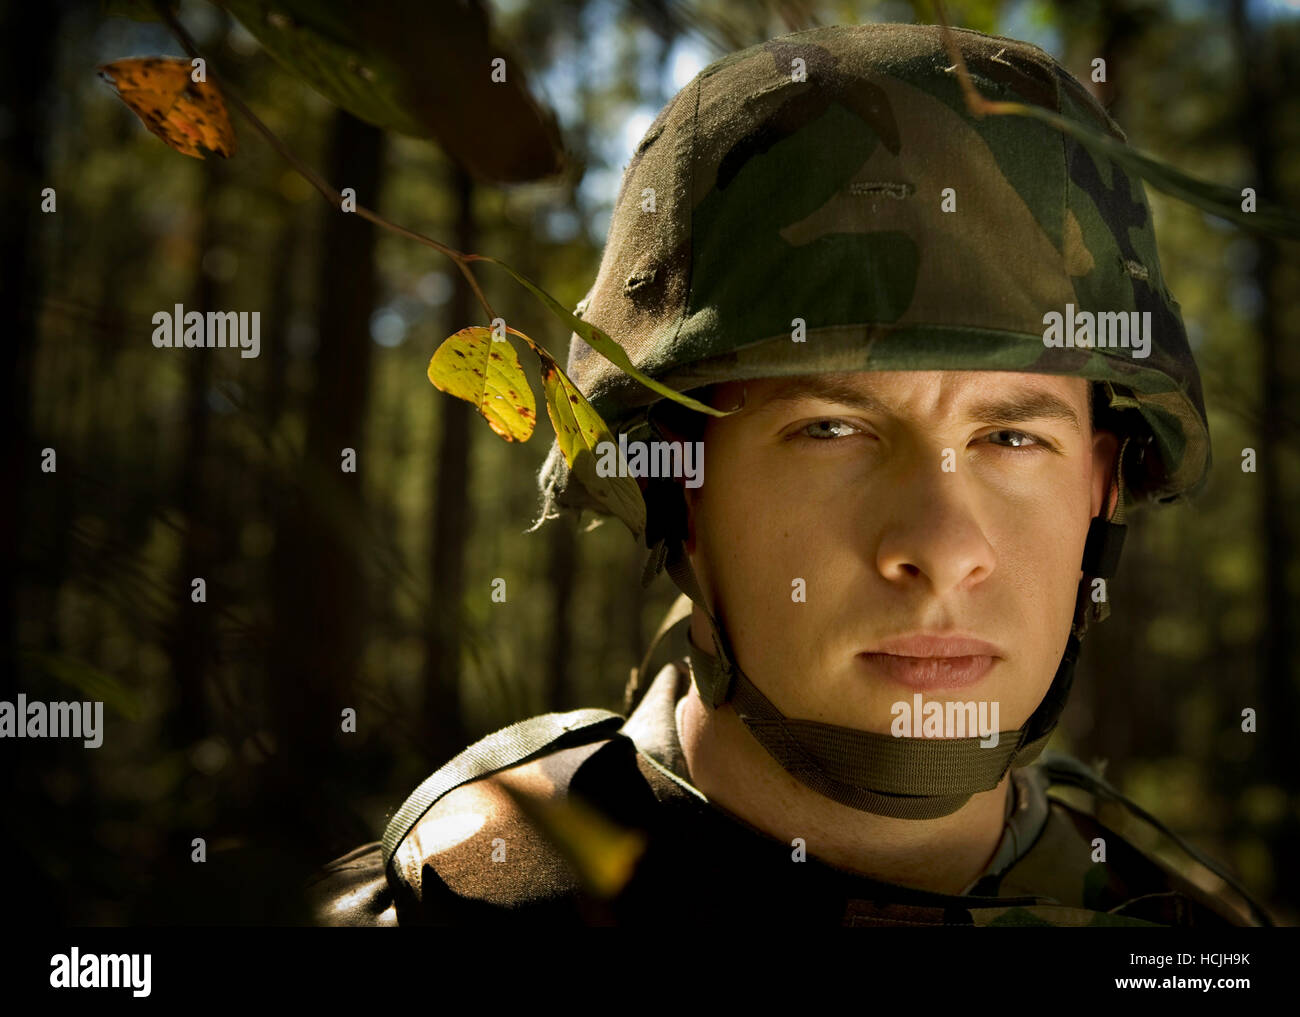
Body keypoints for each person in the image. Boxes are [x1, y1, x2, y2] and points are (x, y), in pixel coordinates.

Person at [306, 21, 1273, 927]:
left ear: (1100, 488)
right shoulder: (458, 901)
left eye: (1013, 440)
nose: (941, 551)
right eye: (831, 429)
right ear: (672, 482)